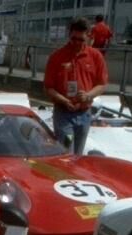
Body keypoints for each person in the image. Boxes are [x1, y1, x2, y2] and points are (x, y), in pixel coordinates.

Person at [44, 17, 107, 155]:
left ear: (88, 36)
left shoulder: (95, 56)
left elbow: (102, 84)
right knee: (67, 151)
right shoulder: (57, 57)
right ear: (69, 35)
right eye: (74, 39)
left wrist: (88, 95)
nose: (76, 43)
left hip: (84, 114)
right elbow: (49, 88)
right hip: (64, 115)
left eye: (81, 40)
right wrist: (65, 100)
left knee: (78, 153)